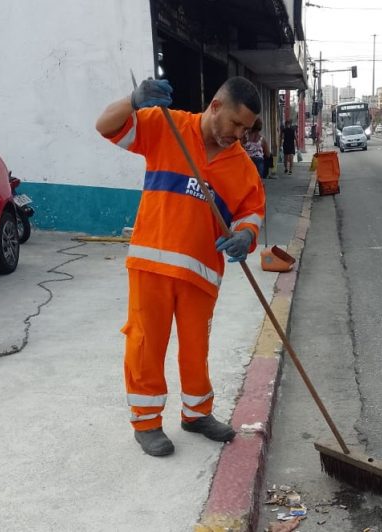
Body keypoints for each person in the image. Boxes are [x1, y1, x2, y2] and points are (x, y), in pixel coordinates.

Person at [95, 76, 265, 457]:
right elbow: (106, 126)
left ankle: (196, 413)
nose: (239, 135)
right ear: (215, 107)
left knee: (195, 348)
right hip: (151, 265)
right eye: (235, 124)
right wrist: (133, 101)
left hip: (202, 273)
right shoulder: (164, 126)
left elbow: (251, 212)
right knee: (145, 344)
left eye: (246, 129)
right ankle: (146, 422)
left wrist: (245, 236)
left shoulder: (241, 166)